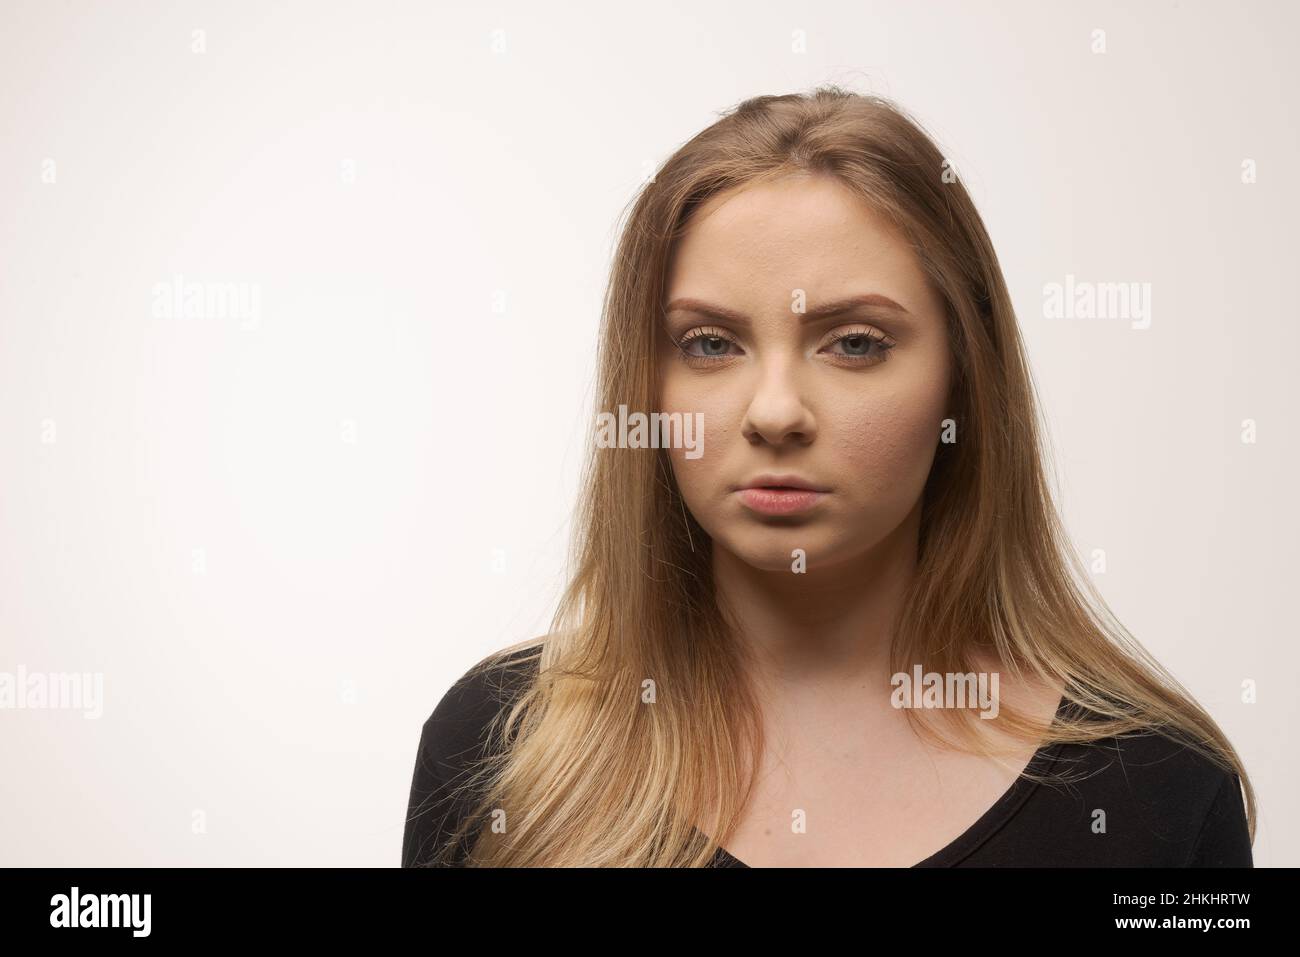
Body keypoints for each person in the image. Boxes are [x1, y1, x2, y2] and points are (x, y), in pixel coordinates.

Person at [402, 86, 1255, 868]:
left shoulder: (1160, 794)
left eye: (854, 342)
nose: (775, 412)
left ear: (964, 374)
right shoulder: (499, 749)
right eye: (709, 342)